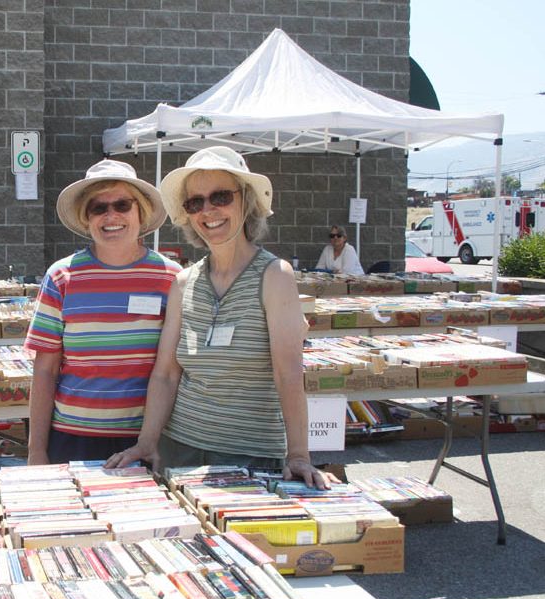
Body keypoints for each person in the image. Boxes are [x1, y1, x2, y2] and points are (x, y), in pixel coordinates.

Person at [106, 147, 331, 489]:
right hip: (179, 450)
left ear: (246, 202)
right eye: (195, 203)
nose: (207, 210)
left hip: (250, 455)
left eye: (220, 197)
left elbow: (288, 373)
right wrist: (147, 442)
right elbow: (166, 374)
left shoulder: (274, 276)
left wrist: (299, 455)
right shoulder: (184, 282)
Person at [25, 159, 182, 465]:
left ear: (141, 213)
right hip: (72, 439)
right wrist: (36, 451)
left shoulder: (172, 278)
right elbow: (44, 370)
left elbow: (175, 370)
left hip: (147, 440)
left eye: (122, 205)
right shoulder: (61, 276)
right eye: (98, 208)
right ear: (87, 218)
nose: (111, 215)